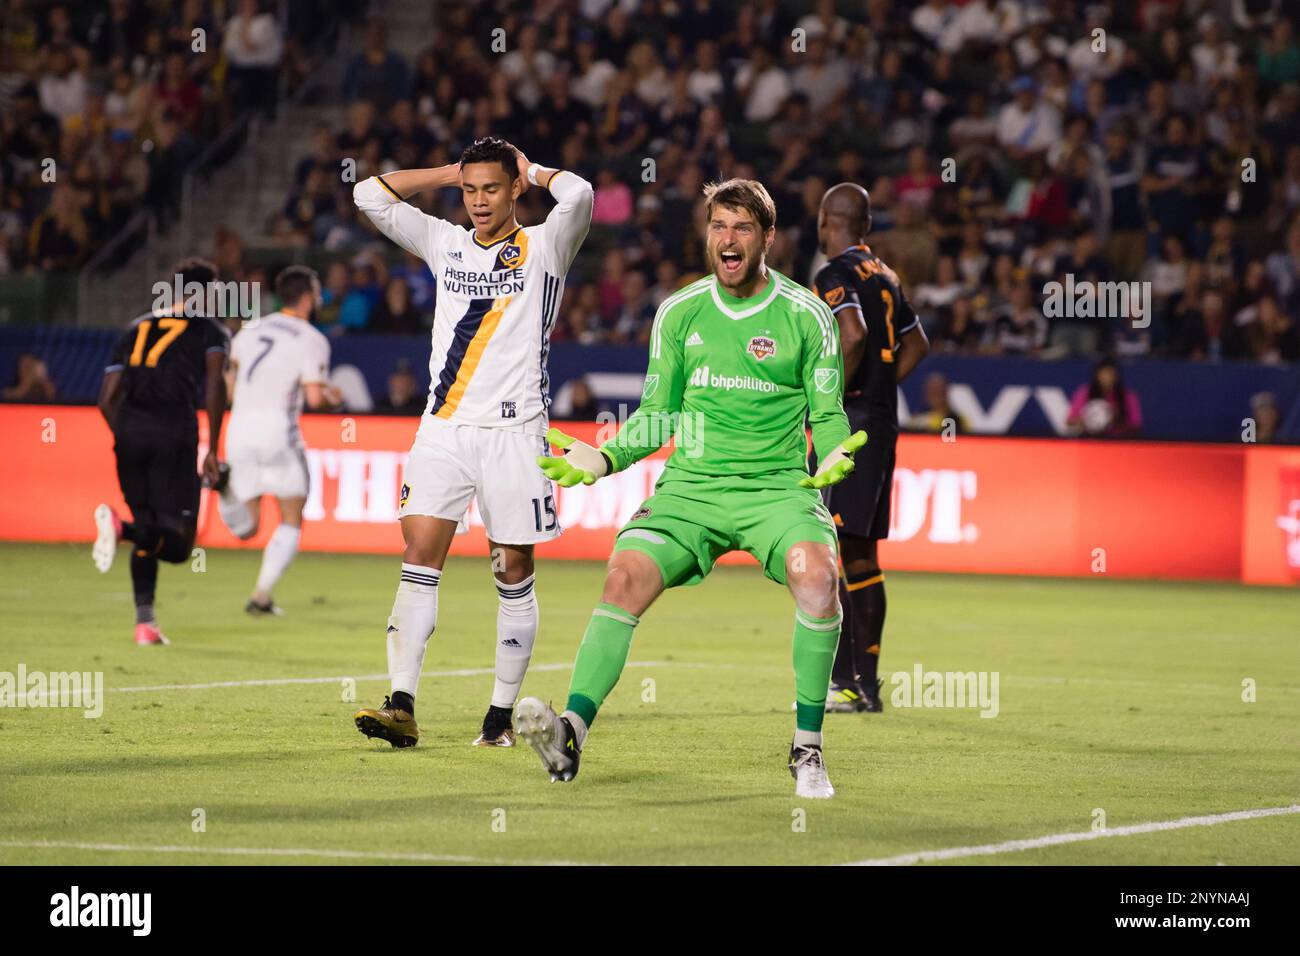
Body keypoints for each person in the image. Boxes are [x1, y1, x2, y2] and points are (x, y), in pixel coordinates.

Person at [517, 179, 866, 799]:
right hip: (691, 489)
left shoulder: (806, 314)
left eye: (741, 229)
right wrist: (604, 459)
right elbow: (658, 413)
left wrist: (837, 448)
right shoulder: (680, 313)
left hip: (777, 490)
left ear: (766, 239)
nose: (727, 240)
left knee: (817, 578)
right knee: (623, 574)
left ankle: (807, 749)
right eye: (718, 227)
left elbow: (828, 411)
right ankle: (570, 734)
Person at [350, 136, 593, 748]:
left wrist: (534, 168)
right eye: (470, 189)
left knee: (512, 570)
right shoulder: (446, 241)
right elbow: (367, 195)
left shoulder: (546, 245)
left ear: (514, 189)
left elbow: (581, 192)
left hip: (516, 434)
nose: (479, 201)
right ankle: (401, 704)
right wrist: (447, 172)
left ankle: (498, 718)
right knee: (418, 559)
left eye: (491, 188)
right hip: (445, 428)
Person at [811, 183, 929, 714]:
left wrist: (835, 397)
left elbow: (853, 336)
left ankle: (845, 684)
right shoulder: (886, 274)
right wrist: (878, 392)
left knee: (827, 547)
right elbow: (918, 344)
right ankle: (865, 685)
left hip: (850, 428)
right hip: (881, 424)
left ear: (824, 221)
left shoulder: (834, 274)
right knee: (860, 553)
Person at [92, 257, 229, 645]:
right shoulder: (209, 331)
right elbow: (215, 385)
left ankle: (144, 622)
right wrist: (213, 449)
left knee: (148, 526)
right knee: (180, 543)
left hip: (130, 436)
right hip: (174, 437)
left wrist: (127, 433)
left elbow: (106, 399)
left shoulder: (137, 326)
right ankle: (121, 529)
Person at [216, 265, 341, 615]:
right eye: (317, 292)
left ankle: (223, 490)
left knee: (248, 527)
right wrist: (334, 396)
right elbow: (315, 399)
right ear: (307, 297)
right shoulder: (312, 338)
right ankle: (260, 596)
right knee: (291, 516)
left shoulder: (250, 329)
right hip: (277, 431)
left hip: (238, 429)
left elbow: (226, 386)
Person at [1066, 357, 1142, 437]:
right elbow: (1070, 421)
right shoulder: (1085, 392)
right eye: (1103, 375)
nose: (1106, 379)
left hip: (1118, 441)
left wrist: (1115, 420)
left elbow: (1136, 426)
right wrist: (1089, 421)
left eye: (1110, 375)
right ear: (1096, 376)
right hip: (1090, 441)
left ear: (1116, 376)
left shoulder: (1128, 396)